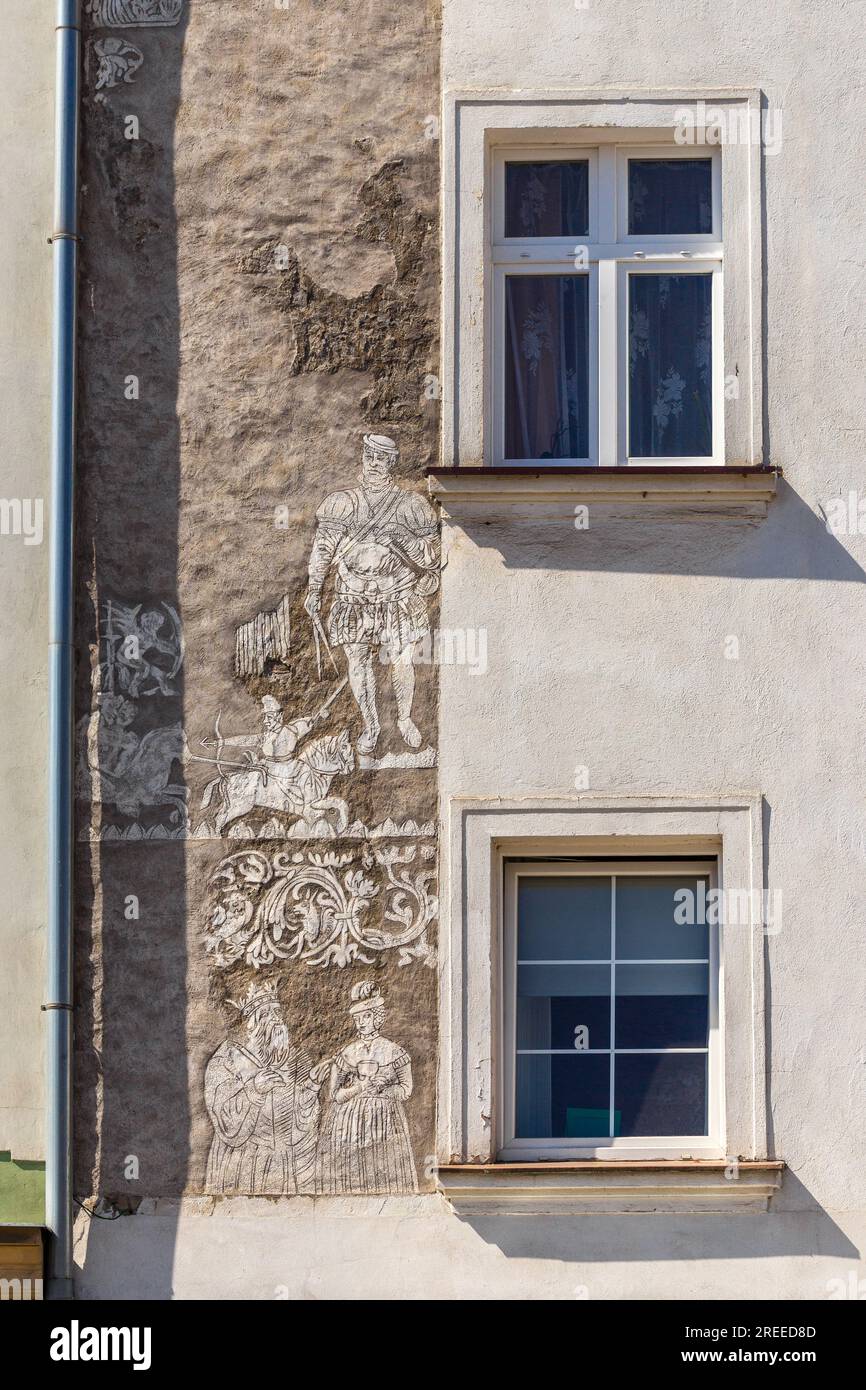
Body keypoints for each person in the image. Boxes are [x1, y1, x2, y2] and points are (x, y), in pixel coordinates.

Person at [304, 434, 439, 756]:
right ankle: (371, 724)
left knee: (402, 660)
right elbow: (323, 550)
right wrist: (314, 589)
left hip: (396, 597)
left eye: (380, 459)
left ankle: (405, 719)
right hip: (352, 596)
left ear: (391, 463)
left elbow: (431, 556)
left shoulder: (412, 505)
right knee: (359, 661)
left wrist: (403, 540)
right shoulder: (342, 502)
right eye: (369, 457)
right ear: (363, 460)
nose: (374, 464)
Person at [204, 982, 325, 1195]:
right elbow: (221, 1114)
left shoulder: (291, 1060)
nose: (277, 1018)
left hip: (280, 1162)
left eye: (277, 1011)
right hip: (242, 1159)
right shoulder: (229, 1057)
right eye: (267, 1013)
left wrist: (313, 1086)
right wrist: (254, 1089)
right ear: (252, 1023)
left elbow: (298, 1122)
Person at [317, 980, 418, 1194]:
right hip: (349, 1122)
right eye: (357, 1018)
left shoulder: (394, 1051)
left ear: (377, 1017)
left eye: (367, 1016)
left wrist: (385, 1090)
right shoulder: (347, 1053)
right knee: (351, 1177)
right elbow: (335, 1095)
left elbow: (406, 1089)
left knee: (383, 1171)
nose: (361, 1022)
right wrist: (359, 1088)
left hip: (384, 1120)